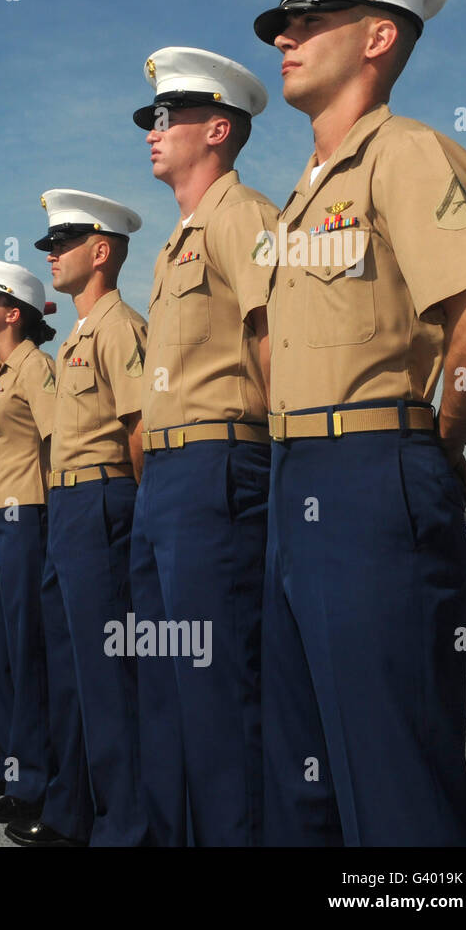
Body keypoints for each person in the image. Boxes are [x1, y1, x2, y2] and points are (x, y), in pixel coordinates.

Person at [255, 0, 466, 846]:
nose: (284, 37)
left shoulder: (407, 155)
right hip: (297, 479)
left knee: (394, 783)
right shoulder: (301, 193)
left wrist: (435, 436)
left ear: (378, 36)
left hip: (372, 471)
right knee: (304, 775)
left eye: (312, 17)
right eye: (283, 24)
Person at [129, 47, 276, 846]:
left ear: (217, 129)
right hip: (170, 480)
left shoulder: (241, 214)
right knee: (163, 682)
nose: (152, 131)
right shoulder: (173, 242)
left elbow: (271, 339)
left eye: (167, 117)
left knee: (216, 688)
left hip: (220, 467)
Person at [28, 189, 150, 847]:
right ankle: (75, 812)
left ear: (100, 252)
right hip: (69, 505)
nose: (51, 253)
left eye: (62, 243)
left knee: (109, 679)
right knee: (73, 674)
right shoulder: (79, 333)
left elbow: (139, 429)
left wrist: (134, 509)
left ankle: (127, 827)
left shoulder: (121, 327)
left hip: (104, 502)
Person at [0, 260, 58, 830]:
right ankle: (5, 761)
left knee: (26, 655)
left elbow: (55, 443)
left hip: (25, 516)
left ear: (13, 313)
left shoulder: (35, 368)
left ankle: (33, 782)